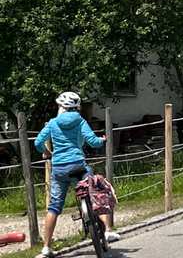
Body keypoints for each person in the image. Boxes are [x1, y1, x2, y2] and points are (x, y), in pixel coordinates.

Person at [34, 92, 120, 257]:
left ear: (61, 107)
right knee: (97, 194)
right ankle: (108, 230)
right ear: (76, 107)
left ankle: (46, 248)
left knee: (54, 207)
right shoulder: (80, 121)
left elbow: (38, 142)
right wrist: (102, 140)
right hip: (78, 166)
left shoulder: (52, 123)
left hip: (59, 168)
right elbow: (93, 142)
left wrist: (46, 152)